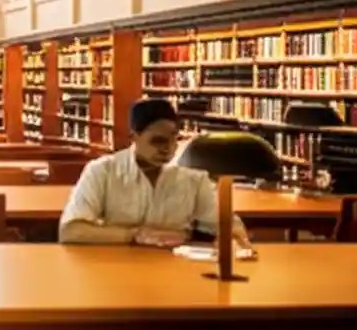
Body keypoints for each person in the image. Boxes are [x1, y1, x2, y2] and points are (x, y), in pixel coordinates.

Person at [59, 98, 247, 246]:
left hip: (175, 270)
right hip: (116, 266)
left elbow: (229, 225)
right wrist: (135, 235)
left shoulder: (193, 177)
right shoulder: (102, 171)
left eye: (174, 140)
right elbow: (70, 231)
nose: (168, 148)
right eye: (158, 141)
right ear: (134, 137)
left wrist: (230, 239)